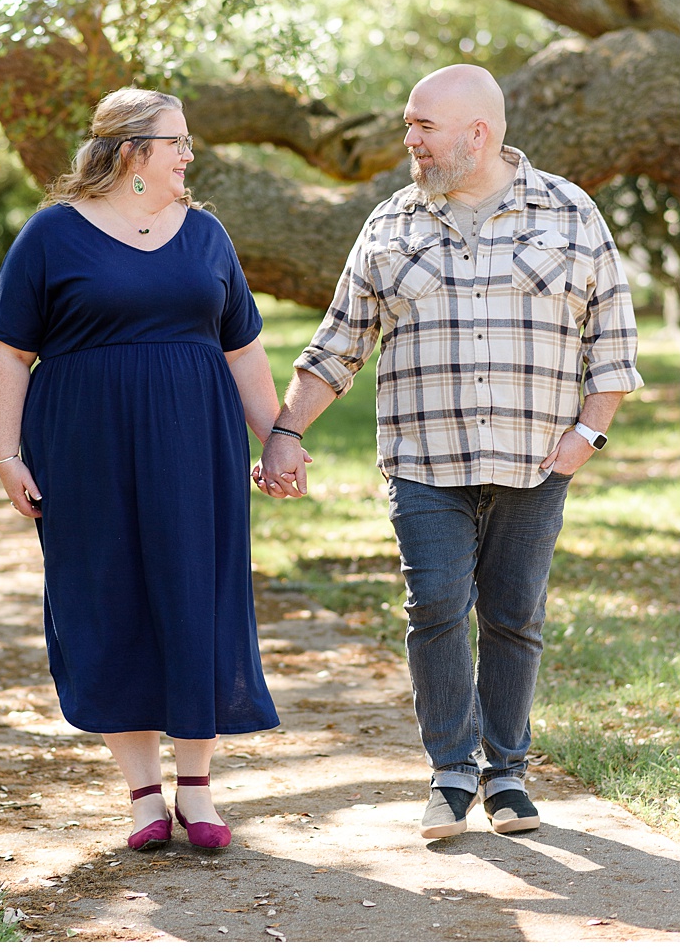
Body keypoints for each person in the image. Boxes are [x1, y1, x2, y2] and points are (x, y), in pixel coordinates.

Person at [255, 64, 642, 840]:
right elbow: (337, 346)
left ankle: (508, 775)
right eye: (410, 124)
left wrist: (586, 435)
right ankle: (450, 773)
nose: (409, 140)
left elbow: (614, 340)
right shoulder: (391, 223)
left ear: (479, 133)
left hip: (536, 459)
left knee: (513, 614)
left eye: (422, 126)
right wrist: (285, 431)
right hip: (423, 458)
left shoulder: (569, 211)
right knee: (435, 604)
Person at [0, 87, 289, 853]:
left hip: (196, 448)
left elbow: (243, 348)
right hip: (84, 450)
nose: (191, 154)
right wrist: (7, 451)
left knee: (196, 592)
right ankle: (143, 793)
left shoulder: (208, 235)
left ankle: (199, 786)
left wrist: (278, 434)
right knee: (107, 595)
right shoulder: (52, 234)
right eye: (177, 141)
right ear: (132, 153)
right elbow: (9, 350)